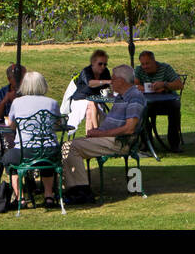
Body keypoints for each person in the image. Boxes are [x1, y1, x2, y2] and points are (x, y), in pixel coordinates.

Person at [61, 65, 145, 205]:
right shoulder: (122, 96)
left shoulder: (134, 97)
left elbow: (129, 129)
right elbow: (115, 122)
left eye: (113, 79)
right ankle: (72, 188)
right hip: (108, 138)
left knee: (70, 147)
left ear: (122, 80)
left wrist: (101, 133)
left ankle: (82, 192)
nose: (110, 82)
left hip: (118, 142)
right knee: (67, 146)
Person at [2, 71, 61, 208]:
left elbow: (11, 125)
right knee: (46, 157)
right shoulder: (52, 103)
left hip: (25, 152)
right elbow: (58, 124)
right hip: (50, 150)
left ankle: (20, 197)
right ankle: (48, 196)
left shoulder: (17, 102)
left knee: (8, 159)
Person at [135, 50, 185, 151]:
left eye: (147, 63)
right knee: (138, 109)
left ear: (154, 61)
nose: (145, 66)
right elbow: (134, 84)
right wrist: (144, 88)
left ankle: (174, 143)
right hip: (148, 103)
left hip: (165, 101)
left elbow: (180, 85)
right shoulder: (139, 70)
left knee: (175, 106)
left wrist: (164, 85)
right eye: (143, 64)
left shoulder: (165, 68)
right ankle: (147, 142)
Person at [61, 49, 111, 132]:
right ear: (93, 62)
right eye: (100, 64)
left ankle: (90, 137)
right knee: (91, 103)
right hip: (79, 100)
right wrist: (105, 81)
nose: (103, 66)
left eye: (105, 64)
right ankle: (96, 131)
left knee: (89, 112)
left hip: (96, 101)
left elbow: (109, 86)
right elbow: (90, 83)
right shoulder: (86, 71)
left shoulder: (105, 72)